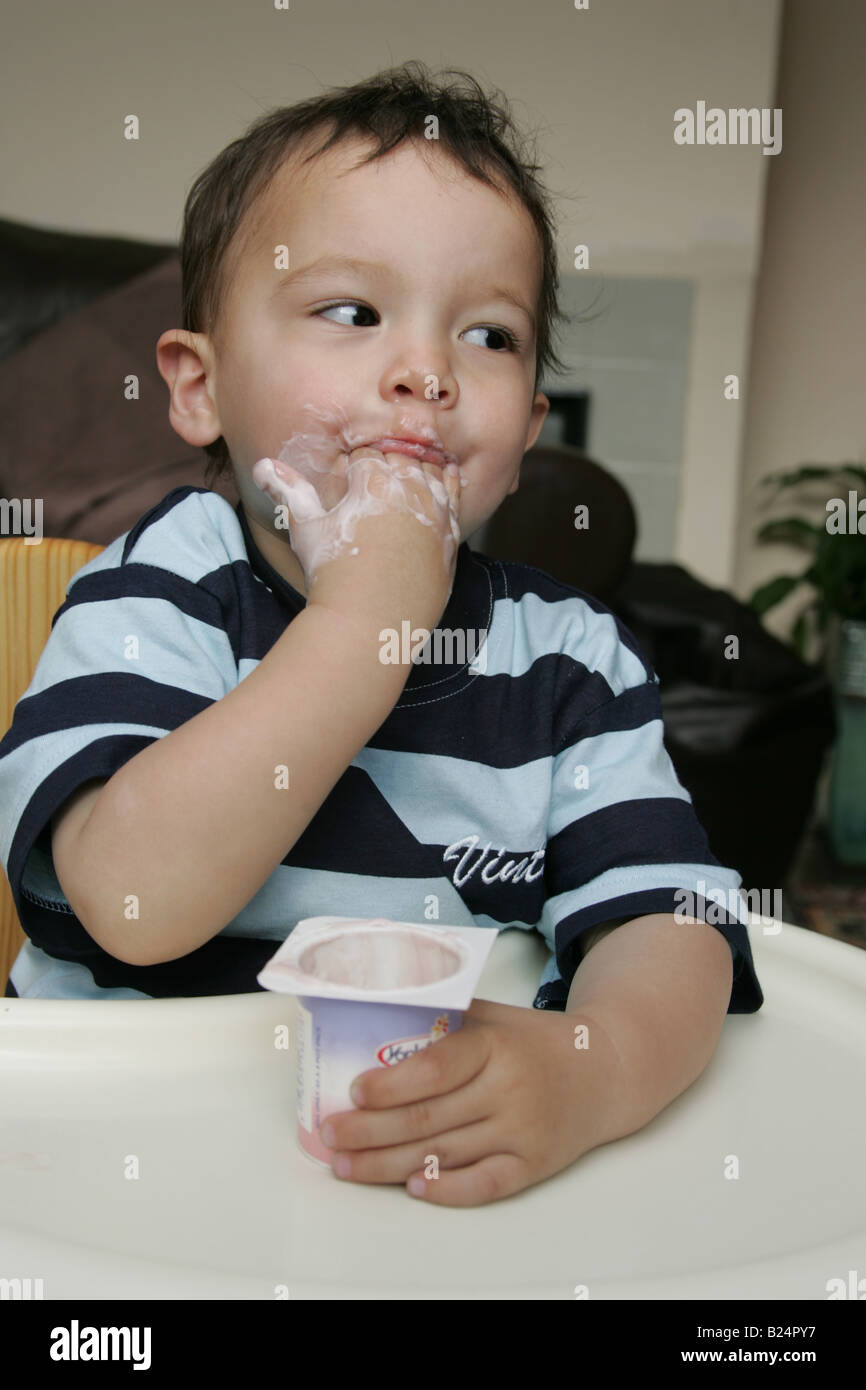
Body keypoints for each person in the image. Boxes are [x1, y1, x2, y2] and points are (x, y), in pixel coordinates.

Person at [0, 61, 762, 1207]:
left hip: (411, 1196)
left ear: (528, 431)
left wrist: (588, 1072)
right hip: (126, 1179)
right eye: (351, 313)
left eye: (490, 336)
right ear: (199, 387)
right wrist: (364, 620)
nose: (425, 372)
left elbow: (673, 922)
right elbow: (129, 904)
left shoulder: (570, 663)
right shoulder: (164, 589)